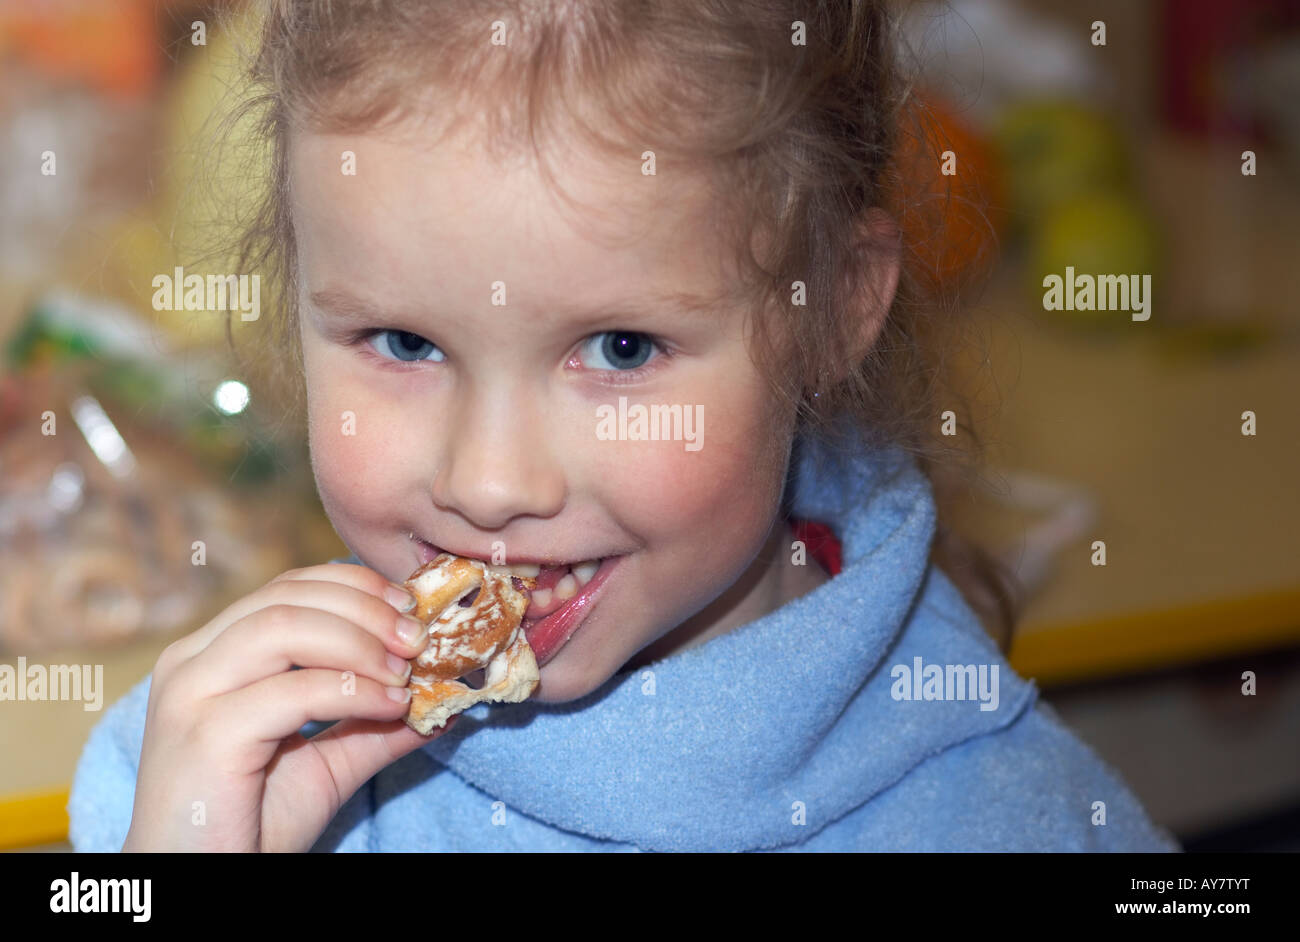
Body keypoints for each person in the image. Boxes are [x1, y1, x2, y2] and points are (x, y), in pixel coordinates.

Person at [69, 0, 1178, 852]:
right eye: (404, 343)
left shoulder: (1008, 818)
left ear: (835, 308)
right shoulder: (208, 772)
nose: (490, 482)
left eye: (619, 349)